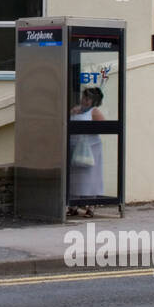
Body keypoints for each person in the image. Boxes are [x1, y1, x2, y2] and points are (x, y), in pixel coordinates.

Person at [67, 86, 106, 217]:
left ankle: (91, 205)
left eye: (88, 98)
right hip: (73, 146)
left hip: (90, 148)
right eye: (84, 97)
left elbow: (103, 127)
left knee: (90, 176)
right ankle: (73, 205)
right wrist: (72, 112)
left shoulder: (94, 112)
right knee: (74, 177)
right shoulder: (77, 109)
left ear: (94, 100)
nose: (85, 100)